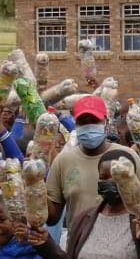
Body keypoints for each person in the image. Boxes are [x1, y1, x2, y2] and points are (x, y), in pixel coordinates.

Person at [46, 94, 115, 227]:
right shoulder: (63, 161)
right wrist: (35, 186)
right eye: (83, 121)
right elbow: (52, 219)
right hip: (77, 239)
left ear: (106, 122)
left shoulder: (125, 156)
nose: (89, 126)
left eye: (94, 120)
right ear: (75, 123)